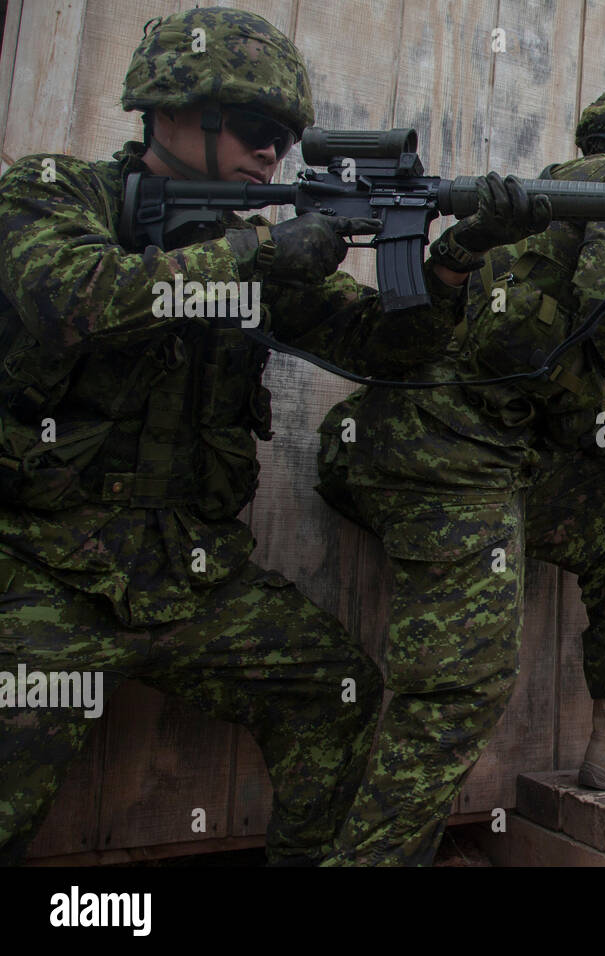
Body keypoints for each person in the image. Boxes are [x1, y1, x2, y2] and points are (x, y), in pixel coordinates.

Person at [0, 7, 546, 865]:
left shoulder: (245, 239)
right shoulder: (56, 192)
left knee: (331, 698)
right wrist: (259, 257)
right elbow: (73, 298)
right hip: (40, 573)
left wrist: (454, 261)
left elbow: (384, 349)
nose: (271, 156)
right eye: (257, 131)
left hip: (190, 579)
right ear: (174, 111)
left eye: (285, 142)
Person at [315, 77, 605, 865]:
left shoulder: (538, 209)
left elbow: (550, 396)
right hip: (439, 459)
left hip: (447, 447)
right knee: (456, 692)